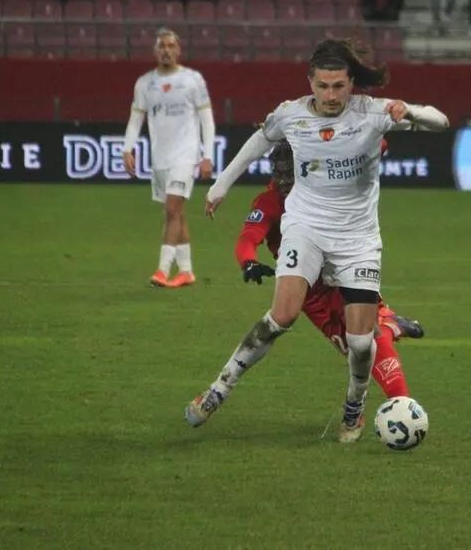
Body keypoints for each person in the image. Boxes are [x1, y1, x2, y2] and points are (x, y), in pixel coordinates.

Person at [184, 38, 449, 443]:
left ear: (351, 83)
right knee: (282, 315)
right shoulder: (291, 114)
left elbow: (441, 121)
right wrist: (221, 185)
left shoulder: (374, 112)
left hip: (357, 238)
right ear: (310, 82)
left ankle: (354, 405)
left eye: (339, 86)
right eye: (322, 86)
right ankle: (220, 388)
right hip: (305, 227)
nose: (330, 95)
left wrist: (409, 111)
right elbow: (259, 141)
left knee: (361, 341)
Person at [236, 140, 425, 400]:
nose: (283, 181)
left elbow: (375, 144)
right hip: (309, 293)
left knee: (366, 342)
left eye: (290, 173)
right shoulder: (269, 202)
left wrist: (369, 136)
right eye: (278, 174)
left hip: (343, 269)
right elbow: (247, 238)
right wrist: (248, 262)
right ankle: (392, 325)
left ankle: (399, 403)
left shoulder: (323, 185)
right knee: (355, 349)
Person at [121, 29, 215, 289]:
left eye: (171, 46)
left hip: (185, 155)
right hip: (160, 158)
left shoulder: (192, 80)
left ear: (178, 50)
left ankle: (162, 270)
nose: (166, 50)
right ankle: (186, 271)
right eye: (161, 46)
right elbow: (136, 118)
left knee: (172, 208)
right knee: (176, 212)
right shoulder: (144, 83)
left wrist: (207, 155)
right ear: (155, 51)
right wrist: (127, 149)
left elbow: (206, 119)